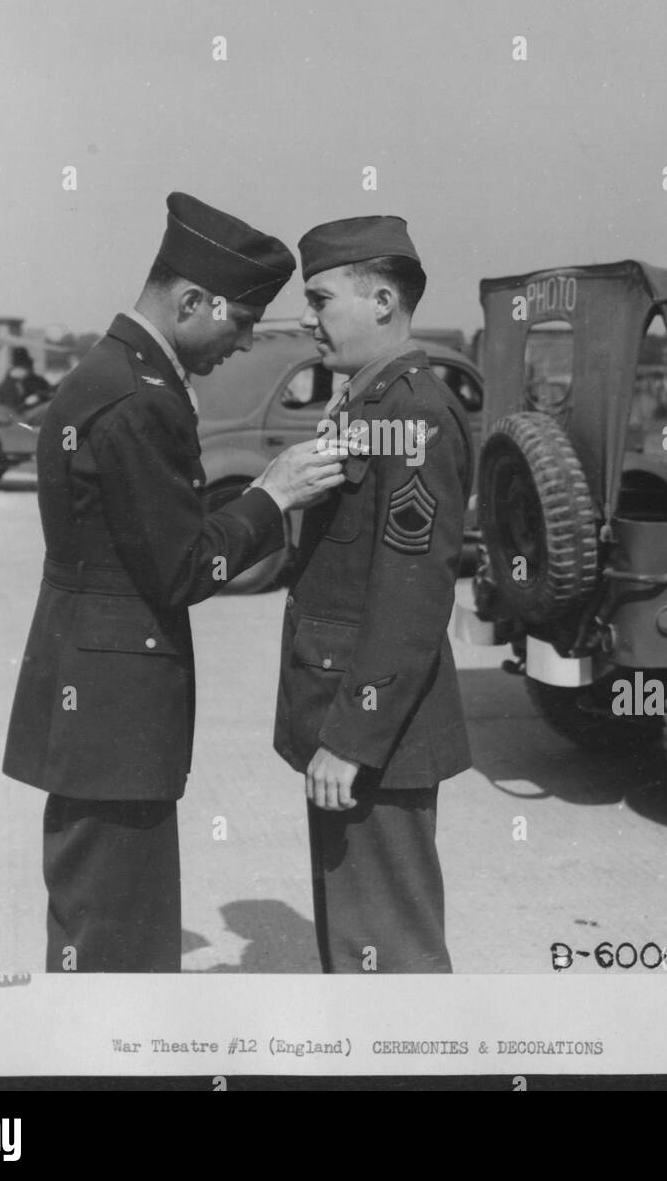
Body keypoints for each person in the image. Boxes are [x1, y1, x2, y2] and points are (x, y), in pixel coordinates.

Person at [3, 191, 344, 972]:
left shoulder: (111, 372)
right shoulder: (140, 399)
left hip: (90, 695)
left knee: (99, 921)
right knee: (120, 943)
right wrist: (273, 493)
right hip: (117, 711)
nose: (244, 340)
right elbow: (184, 567)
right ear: (193, 300)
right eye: (241, 321)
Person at [274, 215, 473, 973]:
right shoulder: (365, 405)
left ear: (382, 300)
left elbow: (411, 594)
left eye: (320, 299)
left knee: (390, 959)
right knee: (356, 949)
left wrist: (351, 740)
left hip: (375, 735)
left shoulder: (411, 413)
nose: (306, 316)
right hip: (353, 720)